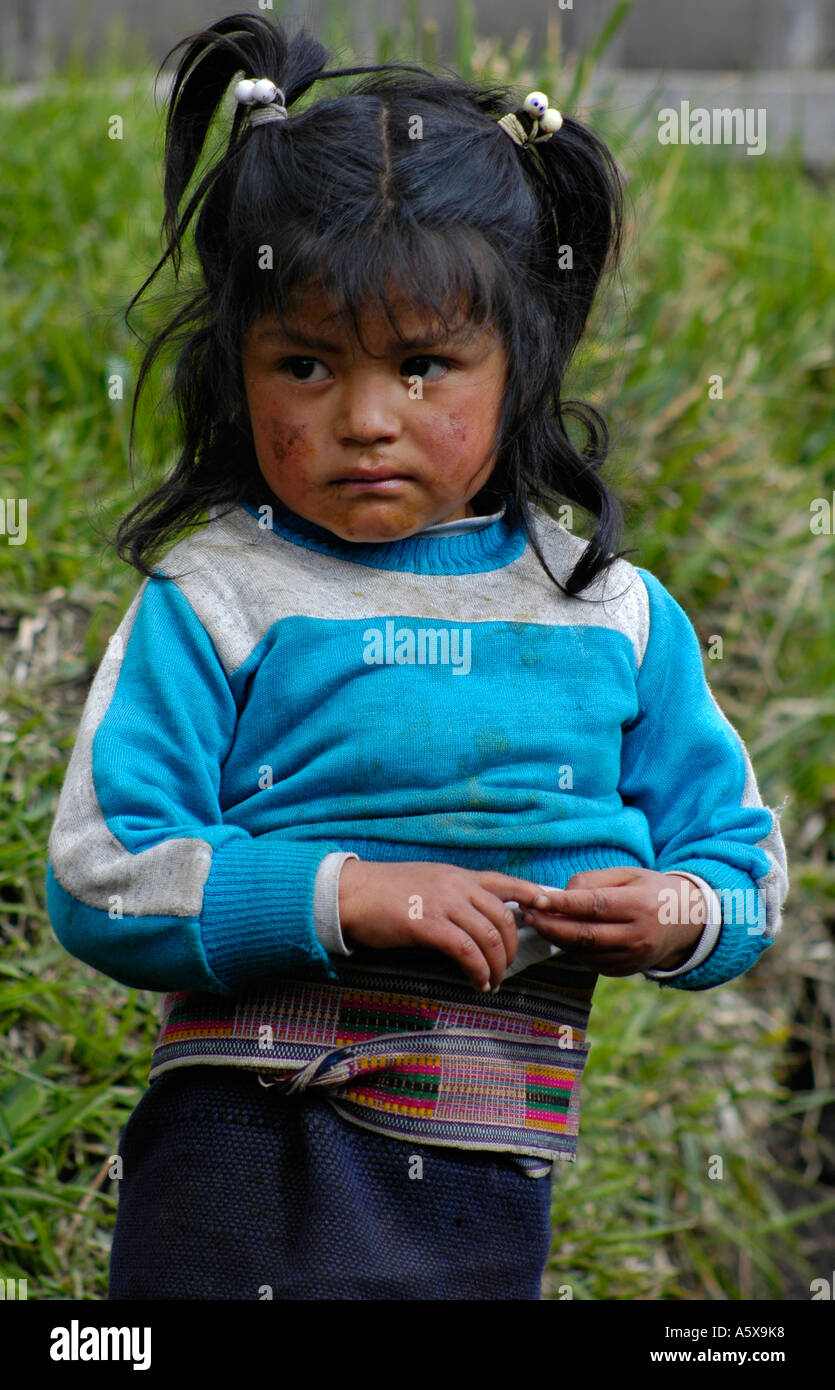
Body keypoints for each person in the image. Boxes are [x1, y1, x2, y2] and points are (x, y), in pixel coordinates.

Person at [45, 12, 789, 1301]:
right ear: (239, 366)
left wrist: (670, 917)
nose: (365, 419)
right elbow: (107, 873)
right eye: (307, 364)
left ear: (523, 366)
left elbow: (741, 872)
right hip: (246, 1162)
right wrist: (344, 894)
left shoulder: (606, 613)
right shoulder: (220, 598)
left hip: (489, 1177)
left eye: (427, 363)